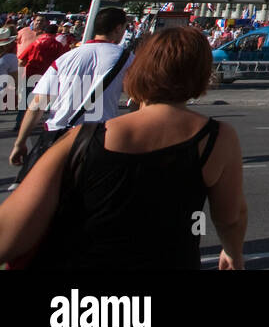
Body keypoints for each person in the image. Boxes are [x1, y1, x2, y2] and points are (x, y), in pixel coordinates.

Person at [0, 26, 247, 269]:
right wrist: (233, 252)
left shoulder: (84, 138)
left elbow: (11, 228)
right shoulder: (217, 138)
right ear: (203, 75)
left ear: (138, 69)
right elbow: (230, 218)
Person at [9, 7, 134, 182]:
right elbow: (136, 99)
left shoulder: (67, 58)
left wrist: (20, 142)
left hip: (58, 136)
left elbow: (38, 104)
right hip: (98, 139)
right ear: (118, 28)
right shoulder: (128, 59)